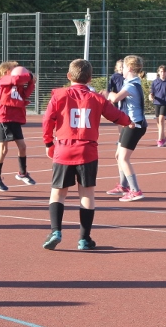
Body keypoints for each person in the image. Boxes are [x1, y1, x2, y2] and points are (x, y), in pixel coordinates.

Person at [41, 58, 133, 251]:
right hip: (87, 151)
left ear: (69, 76)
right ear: (90, 79)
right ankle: (84, 238)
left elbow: (47, 120)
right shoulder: (97, 99)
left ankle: (55, 231)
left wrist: (49, 142)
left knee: (58, 193)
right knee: (87, 193)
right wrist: (128, 121)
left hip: (64, 148)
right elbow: (114, 114)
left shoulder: (58, 95)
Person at [0, 61, 36, 192]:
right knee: (3, 150)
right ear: (6, 72)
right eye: (14, 68)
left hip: (15, 120)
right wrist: (30, 76)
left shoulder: (18, 88)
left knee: (23, 147)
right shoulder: (2, 82)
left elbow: (26, 94)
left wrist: (32, 82)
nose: (18, 70)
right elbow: (17, 78)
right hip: (3, 118)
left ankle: (22, 173)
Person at [106, 55, 147, 201]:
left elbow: (115, 98)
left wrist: (107, 93)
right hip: (130, 123)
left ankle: (135, 190)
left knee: (123, 158)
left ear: (129, 68)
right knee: (118, 156)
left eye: (122, 67)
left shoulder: (130, 85)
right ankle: (123, 186)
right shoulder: (130, 82)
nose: (120, 70)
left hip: (134, 124)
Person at [149, 64, 166, 146]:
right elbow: (151, 93)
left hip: (165, 103)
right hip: (157, 103)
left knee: (161, 120)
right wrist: (150, 96)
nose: (162, 73)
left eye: (164, 72)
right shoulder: (155, 82)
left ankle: (160, 140)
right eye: (161, 72)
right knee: (158, 122)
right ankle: (164, 137)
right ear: (158, 72)